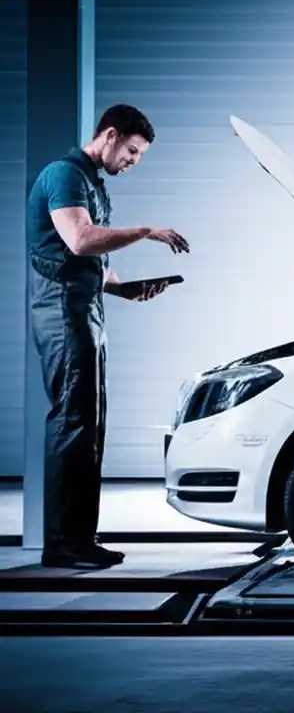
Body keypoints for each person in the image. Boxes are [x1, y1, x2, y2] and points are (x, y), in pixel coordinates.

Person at [27, 103, 190, 569]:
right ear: (111, 135)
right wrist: (145, 231)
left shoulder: (92, 183)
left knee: (89, 426)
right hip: (62, 313)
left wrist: (124, 287)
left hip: (86, 311)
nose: (134, 161)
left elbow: (91, 259)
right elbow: (79, 240)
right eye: (133, 152)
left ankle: (80, 538)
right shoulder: (64, 175)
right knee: (72, 423)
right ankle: (62, 544)